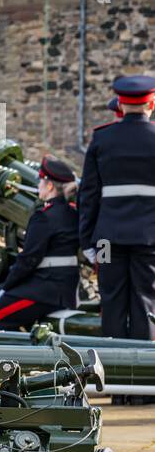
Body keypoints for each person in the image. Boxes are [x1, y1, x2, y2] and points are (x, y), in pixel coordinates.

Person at [78, 75, 155, 342]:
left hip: (107, 241)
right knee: (146, 301)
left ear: (120, 104)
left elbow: (88, 195)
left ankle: (109, 367)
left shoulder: (102, 139)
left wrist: (87, 241)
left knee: (111, 299)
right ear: (152, 103)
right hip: (149, 240)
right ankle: (143, 369)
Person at [0, 157, 79, 330]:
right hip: (63, 290)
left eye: (41, 181)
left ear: (49, 186)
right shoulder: (72, 213)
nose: (39, 185)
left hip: (45, 290)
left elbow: (28, 259)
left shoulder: (44, 217)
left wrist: (7, 286)